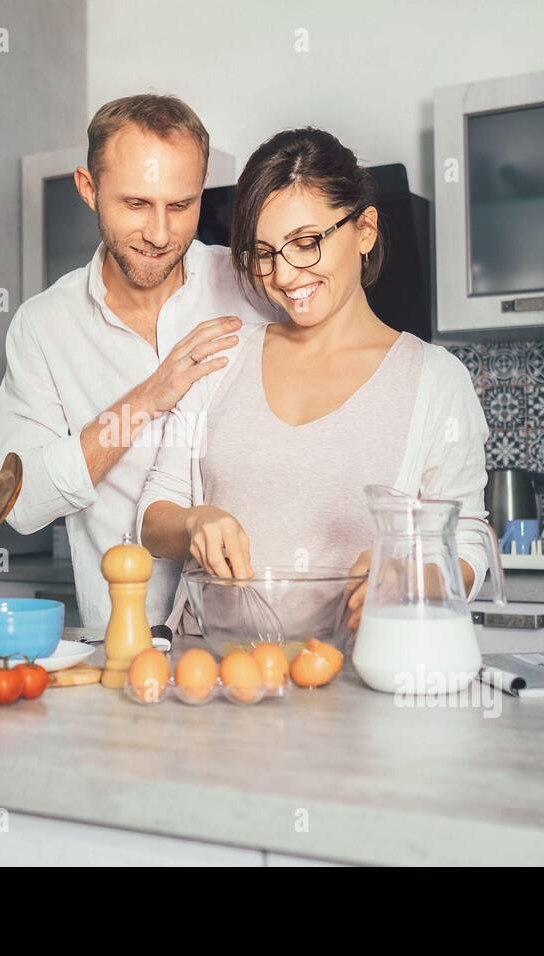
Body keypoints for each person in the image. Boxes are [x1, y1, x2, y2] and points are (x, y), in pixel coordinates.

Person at [136, 127, 492, 632]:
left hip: (356, 683)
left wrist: (412, 577)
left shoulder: (435, 381)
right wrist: (194, 521)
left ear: (364, 229)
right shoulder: (223, 357)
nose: (282, 276)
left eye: (305, 243)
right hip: (213, 678)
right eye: (263, 253)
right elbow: (153, 517)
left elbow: (468, 542)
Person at [0, 94, 273, 628]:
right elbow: (20, 502)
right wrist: (146, 398)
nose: (161, 234)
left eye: (181, 205)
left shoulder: (254, 289)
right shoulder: (43, 326)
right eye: (137, 205)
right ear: (88, 189)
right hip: (121, 645)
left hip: (250, 637)